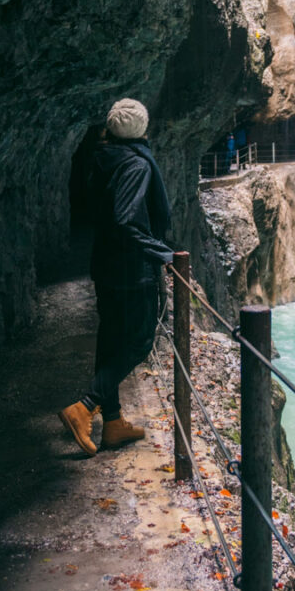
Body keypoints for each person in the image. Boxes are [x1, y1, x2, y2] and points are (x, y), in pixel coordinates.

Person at [59, 98, 174, 456]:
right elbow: (125, 220)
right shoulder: (136, 165)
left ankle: (112, 423)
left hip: (105, 263)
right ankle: (84, 406)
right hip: (131, 270)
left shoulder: (101, 157)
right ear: (141, 128)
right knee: (139, 342)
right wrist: (162, 253)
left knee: (110, 341)